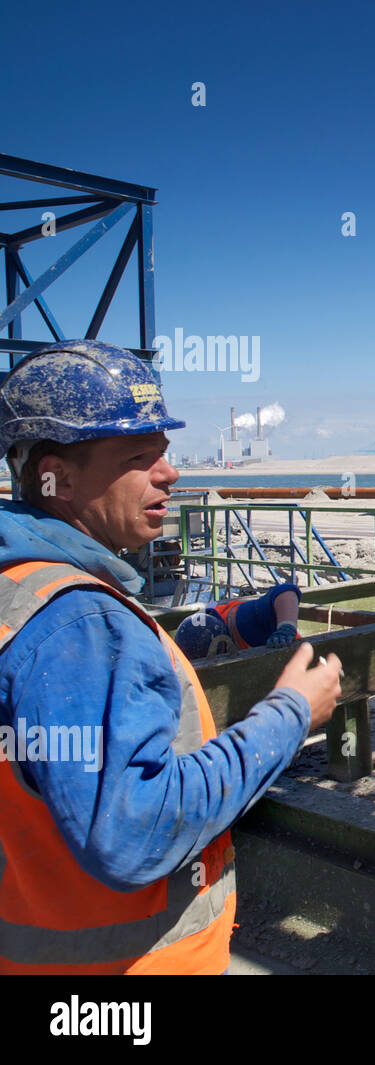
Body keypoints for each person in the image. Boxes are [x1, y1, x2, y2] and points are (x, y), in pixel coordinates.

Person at [0, 339, 342, 974]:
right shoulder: (79, 623)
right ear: (58, 476)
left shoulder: (17, 590)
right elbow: (133, 833)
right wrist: (290, 715)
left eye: (165, 453)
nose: (171, 474)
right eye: (139, 457)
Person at [174, 581, 303, 660]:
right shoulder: (206, 618)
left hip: (295, 655)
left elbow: (286, 591)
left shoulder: (245, 623)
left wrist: (286, 626)